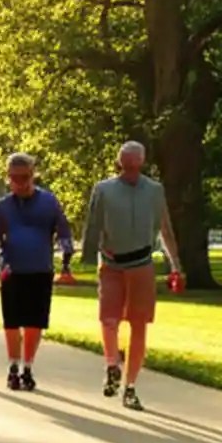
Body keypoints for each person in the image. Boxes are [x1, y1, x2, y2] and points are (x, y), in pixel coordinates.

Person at [82, 141, 183, 411]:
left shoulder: (154, 190)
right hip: (112, 264)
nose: (130, 170)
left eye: (134, 165)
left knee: (139, 325)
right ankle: (112, 364)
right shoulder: (103, 189)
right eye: (126, 165)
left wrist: (175, 265)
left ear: (142, 163)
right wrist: (87, 258)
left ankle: (130, 386)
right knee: (109, 319)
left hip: (141, 265)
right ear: (120, 163)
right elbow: (93, 226)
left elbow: (165, 229)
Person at [0, 153, 74, 392]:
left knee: (35, 322)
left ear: (33, 175)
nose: (20, 183)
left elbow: (63, 231)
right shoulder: (2, 206)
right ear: (8, 178)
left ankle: (27, 367)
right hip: (12, 270)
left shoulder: (49, 202)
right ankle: (13, 367)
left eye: (24, 177)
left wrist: (66, 261)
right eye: (14, 178)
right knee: (12, 322)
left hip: (40, 268)